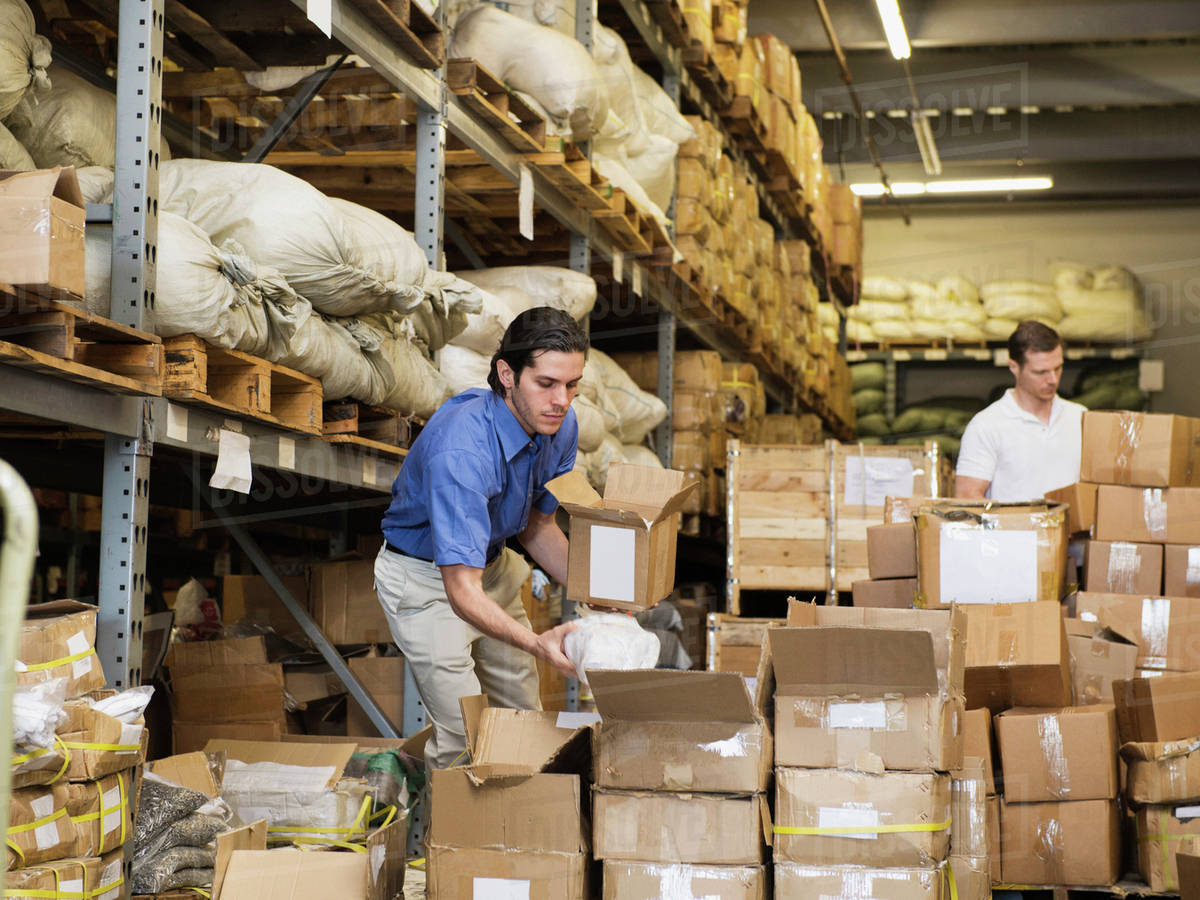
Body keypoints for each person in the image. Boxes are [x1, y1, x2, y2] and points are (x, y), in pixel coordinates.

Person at [374, 307, 586, 770]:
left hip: (492, 567)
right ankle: (441, 834)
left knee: (523, 718)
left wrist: (604, 595)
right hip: (429, 582)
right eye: (546, 383)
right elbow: (460, 590)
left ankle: (516, 832)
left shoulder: (560, 426)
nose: (562, 400)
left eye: (572, 386)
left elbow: (538, 526)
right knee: (463, 737)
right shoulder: (463, 449)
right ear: (507, 375)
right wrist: (536, 642)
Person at [955, 321, 1086, 501]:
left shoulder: (1080, 417)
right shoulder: (986, 426)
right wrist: (1011, 526)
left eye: (1058, 368)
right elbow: (967, 496)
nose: (1053, 380)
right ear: (1014, 367)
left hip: (1072, 529)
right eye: (1041, 372)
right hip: (1014, 529)